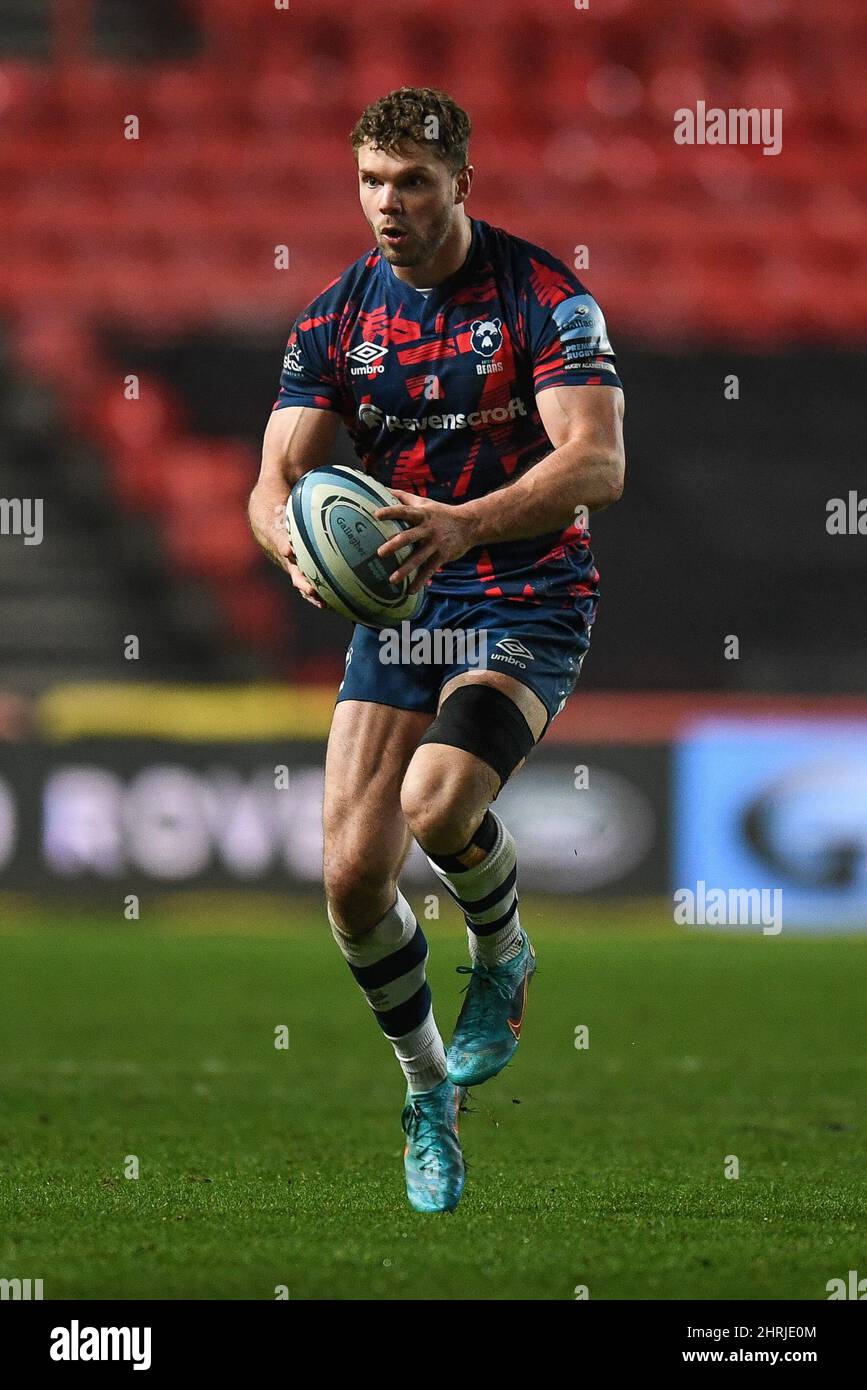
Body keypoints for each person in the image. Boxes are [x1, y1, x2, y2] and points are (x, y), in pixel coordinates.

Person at [248, 87, 625, 1213]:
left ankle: (503, 952)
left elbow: (597, 464)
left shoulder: (543, 298)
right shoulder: (334, 321)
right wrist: (295, 552)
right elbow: (272, 486)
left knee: (436, 801)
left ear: (463, 180)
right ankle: (427, 1096)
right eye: (371, 181)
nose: (388, 203)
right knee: (351, 878)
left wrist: (465, 520)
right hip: (403, 603)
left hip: (521, 589)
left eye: (412, 181)